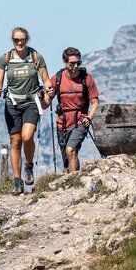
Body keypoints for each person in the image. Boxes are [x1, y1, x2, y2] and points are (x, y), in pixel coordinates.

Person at [0, 26, 47, 193]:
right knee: (15, 142)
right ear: (12, 40)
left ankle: (28, 165)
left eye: (22, 39)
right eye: (16, 39)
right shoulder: (5, 59)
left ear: (26, 39)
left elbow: (46, 79)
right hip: (12, 104)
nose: (19, 42)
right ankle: (17, 181)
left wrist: (49, 89)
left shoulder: (36, 57)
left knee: (27, 136)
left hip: (31, 102)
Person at [51, 46, 102, 176]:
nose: (75, 66)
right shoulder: (57, 79)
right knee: (67, 162)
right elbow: (46, 103)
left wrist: (89, 117)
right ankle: (70, 178)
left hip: (81, 120)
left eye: (78, 63)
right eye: (72, 63)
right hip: (62, 123)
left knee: (71, 150)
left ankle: (74, 182)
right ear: (65, 62)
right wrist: (42, 96)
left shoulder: (87, 78)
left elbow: (95, 102)